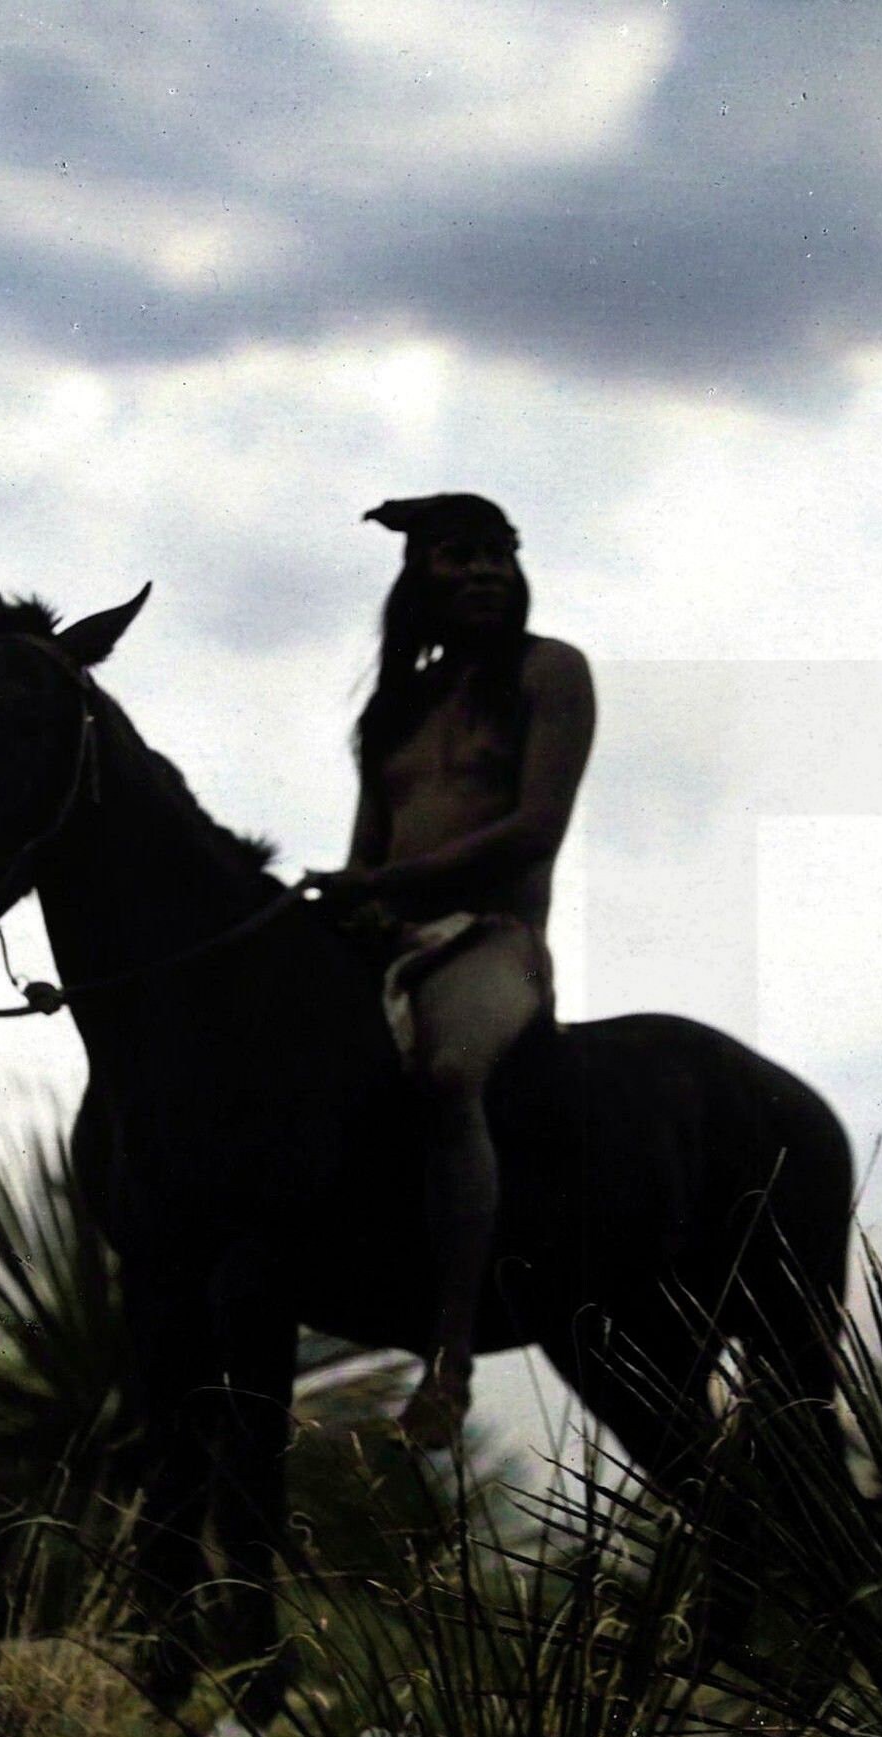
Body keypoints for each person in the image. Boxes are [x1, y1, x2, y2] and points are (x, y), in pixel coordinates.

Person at [302, 494, 596, 1448]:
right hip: (393, 940)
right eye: (457, 557)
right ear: (417, 577)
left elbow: (533, 830)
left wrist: (383, 883)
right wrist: (344, 902)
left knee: (445, 1075)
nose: (481, 573)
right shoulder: (394, 712)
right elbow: (363, 853)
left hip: (492, 939)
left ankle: (451, 1357)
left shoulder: (550, 673)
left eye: (496, 556)